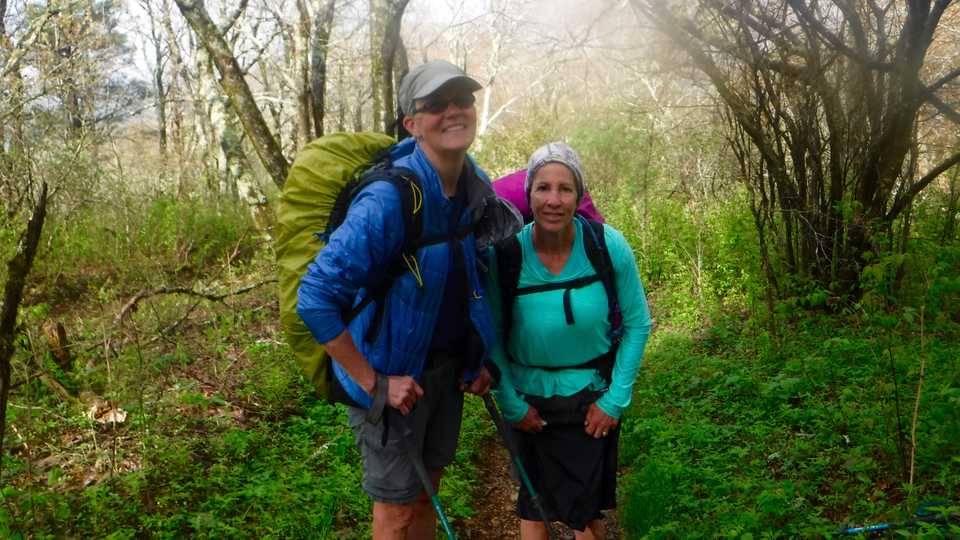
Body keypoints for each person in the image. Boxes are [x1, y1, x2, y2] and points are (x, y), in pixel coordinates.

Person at [297, 60, 515, 539]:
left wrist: (475, 357)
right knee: (395, 513)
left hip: (443, 375)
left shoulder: (471, 185)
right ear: (412, 124)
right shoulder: (388, 200)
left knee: (425, 496)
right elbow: (314, 297)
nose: (454, 111)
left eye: (463, 100)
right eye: (436, 104)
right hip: (392, 382)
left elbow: (467, 280)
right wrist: (374, 382)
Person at [487, 142, 653, 539]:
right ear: (528, 195)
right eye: (543, 188)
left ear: (579, 195)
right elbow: (490, 334)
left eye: (565, 188)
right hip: (528, 400)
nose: (554, 200)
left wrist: (614, 400)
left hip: (590, 398)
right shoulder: (507, 254)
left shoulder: (605, 245)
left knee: (585, 512)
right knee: (534, 505)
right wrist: (510, 402)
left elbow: (638, 324)